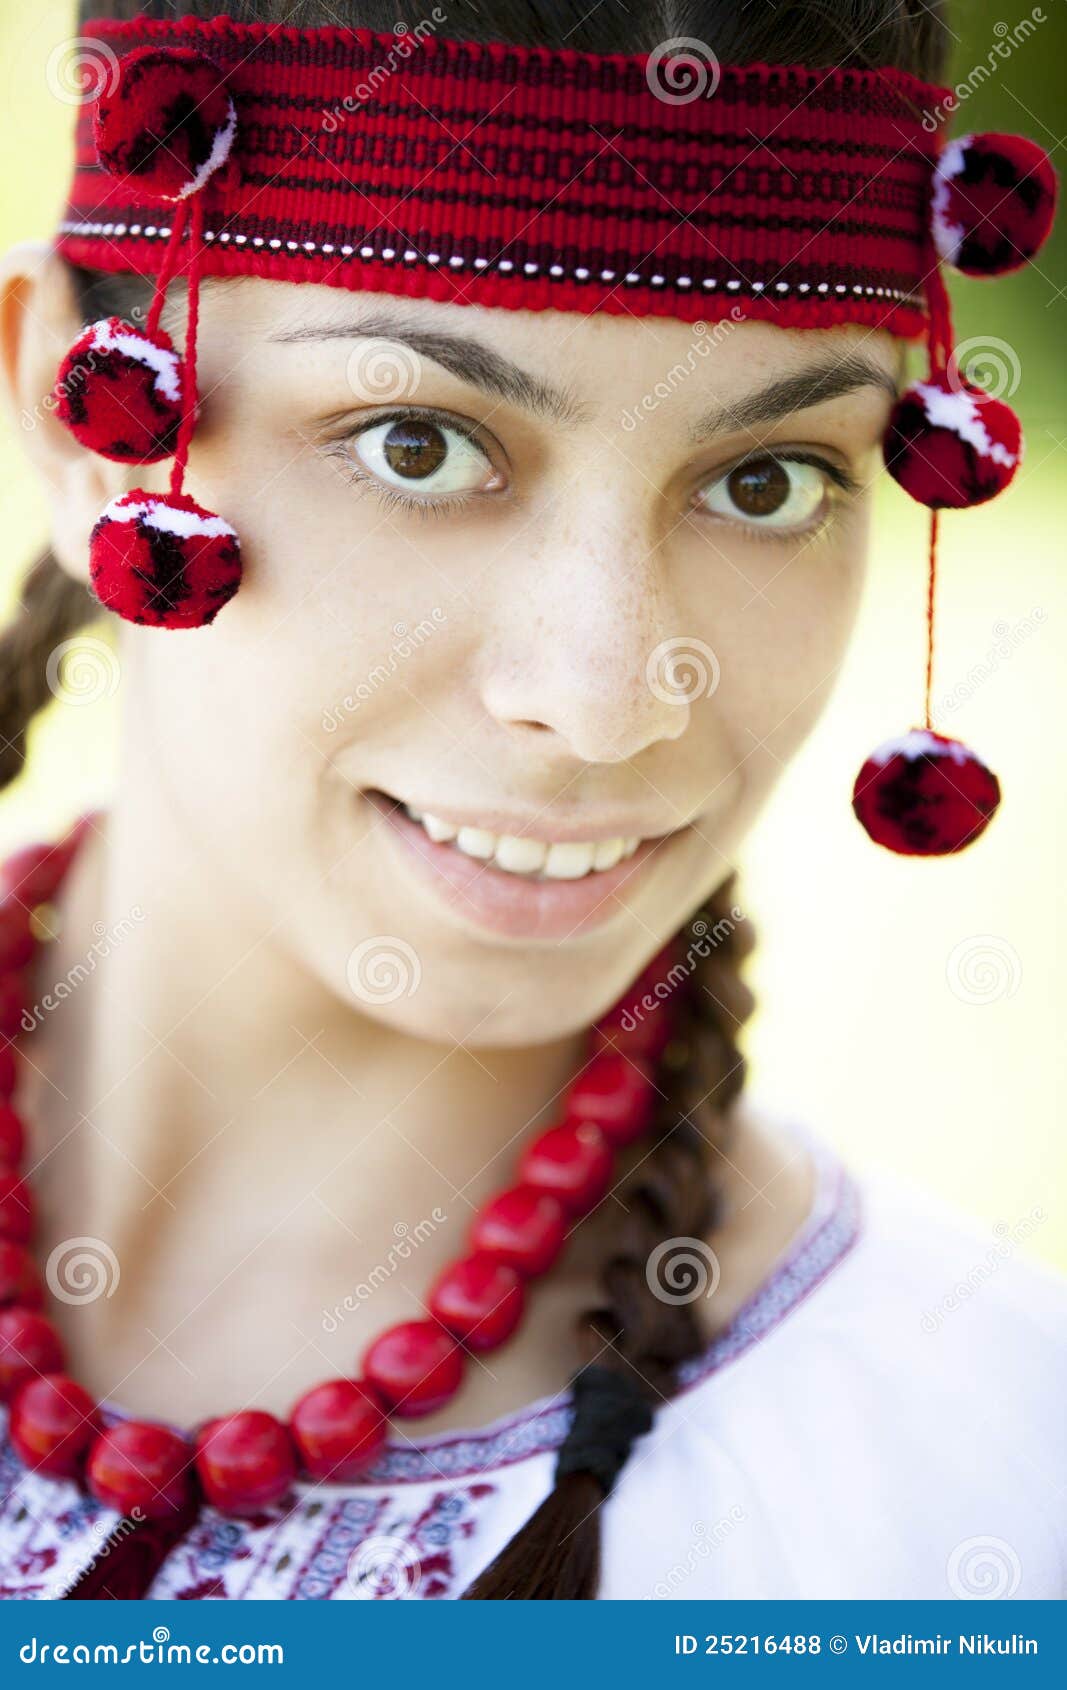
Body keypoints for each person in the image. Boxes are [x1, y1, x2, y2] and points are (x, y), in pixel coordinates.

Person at [0, 0, 1062, 1601]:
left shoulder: (970, 1492)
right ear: (74, 424)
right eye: (419, 443)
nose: (612, 692)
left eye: (765, 480)